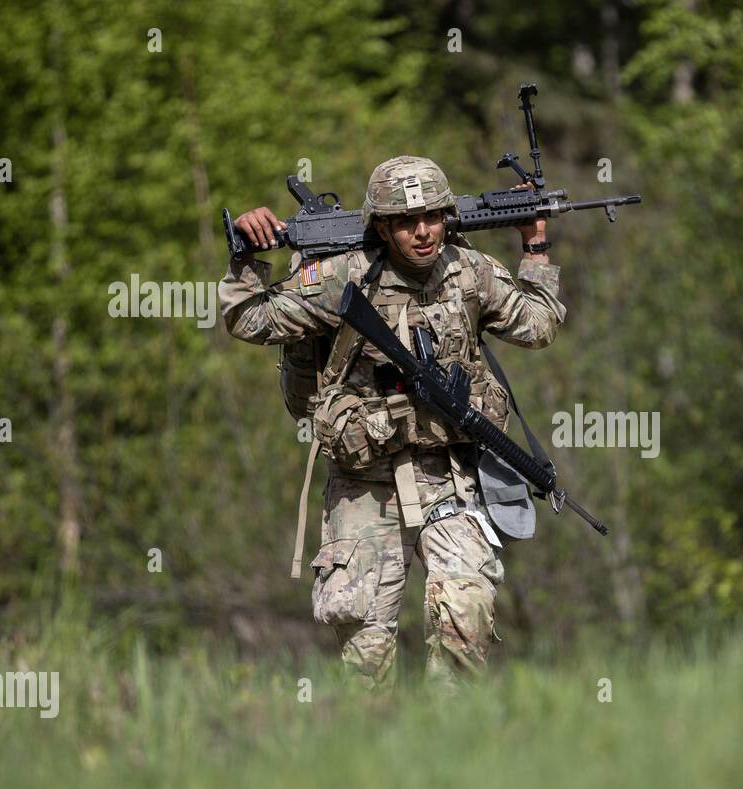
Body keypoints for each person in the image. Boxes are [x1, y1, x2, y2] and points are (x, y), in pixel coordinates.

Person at [217, 156, 565, 691]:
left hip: (448, 476)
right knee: (366, 658)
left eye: (431, 217)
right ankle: (372, 763)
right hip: (366, 483)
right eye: (404, 221)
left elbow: (538, 326)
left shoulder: (469, 272)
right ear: (381, 225)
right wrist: (245, 253)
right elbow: (249, 318)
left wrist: (535, 246)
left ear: (448, 216)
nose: (421, 232)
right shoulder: (342, 277)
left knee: (465, 615)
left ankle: (450, 748)